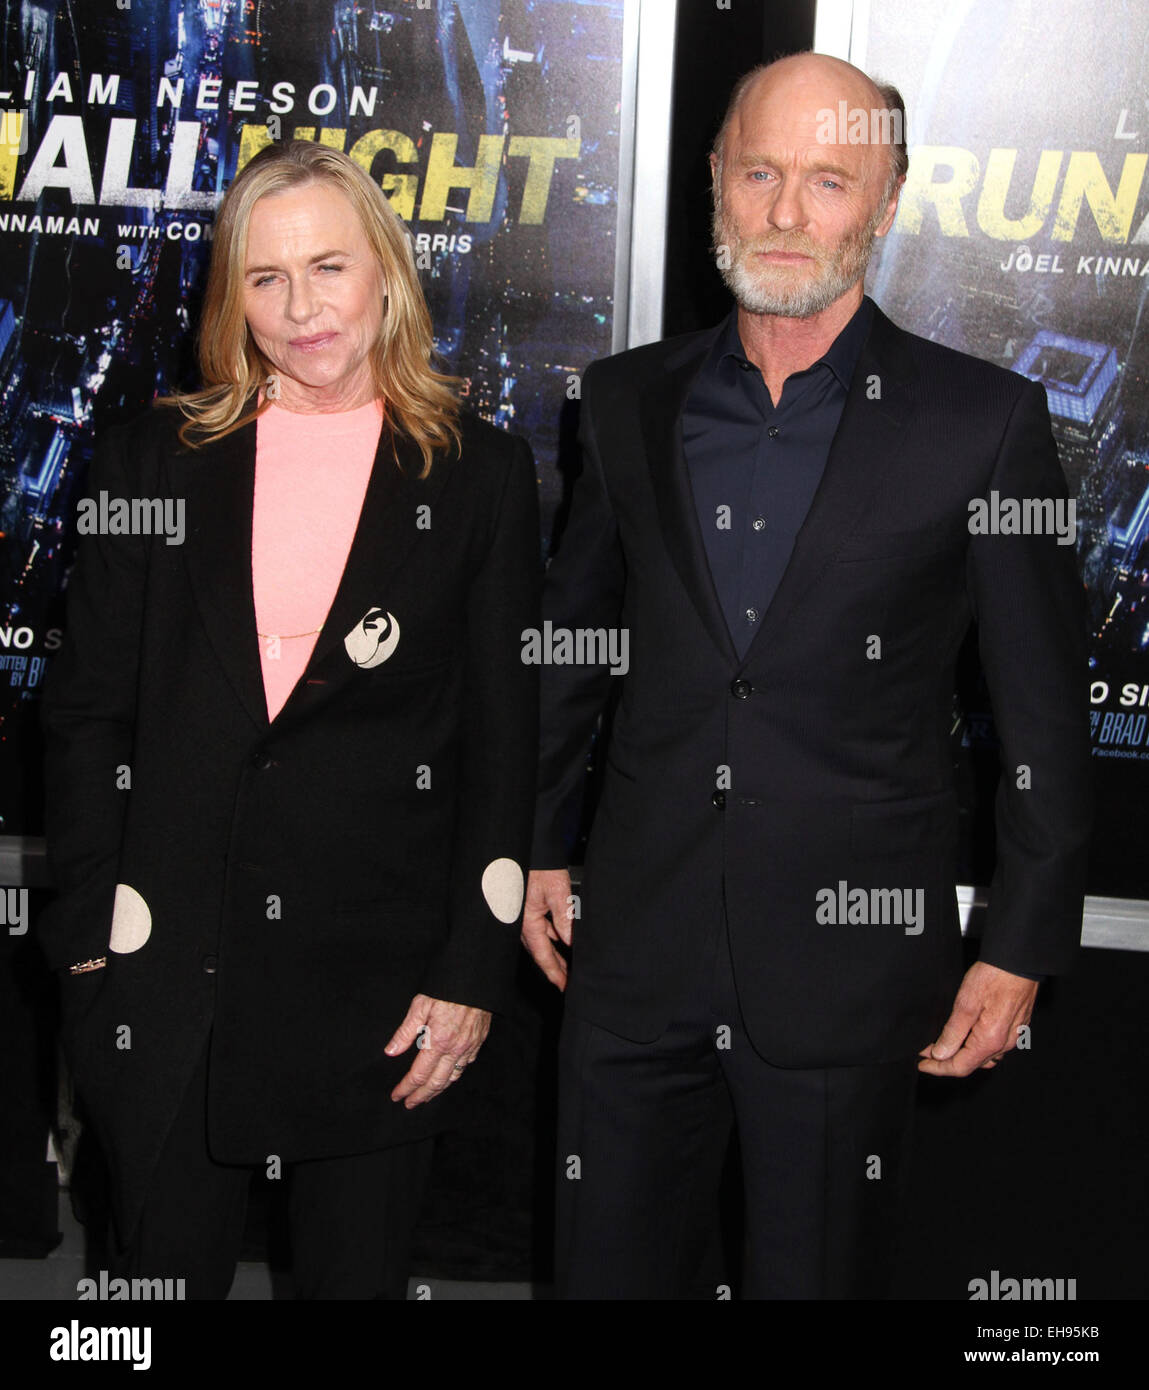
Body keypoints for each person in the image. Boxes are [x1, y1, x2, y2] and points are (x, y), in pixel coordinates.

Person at [522, 52, 1092, 1299]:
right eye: (763, 173)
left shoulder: (982, 423)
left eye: (829, 181)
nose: (788, 212)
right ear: (715, 181)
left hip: (847, 962)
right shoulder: (625, 401)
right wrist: (539, 845)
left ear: (885, 205)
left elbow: (1045, 706)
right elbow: (575, 645)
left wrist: (1022, 941)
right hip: (633, 952)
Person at [40, 139, 540, 1299]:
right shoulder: (152, 461)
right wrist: (82, 940)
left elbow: (503, 745)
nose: (301, 306)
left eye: (328, 265)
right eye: (265, 278)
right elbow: (86, 717)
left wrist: (472, 971)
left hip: (379, 987)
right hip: (164, 977)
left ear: (386, 275)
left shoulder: (479, 476)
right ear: (233, 295)